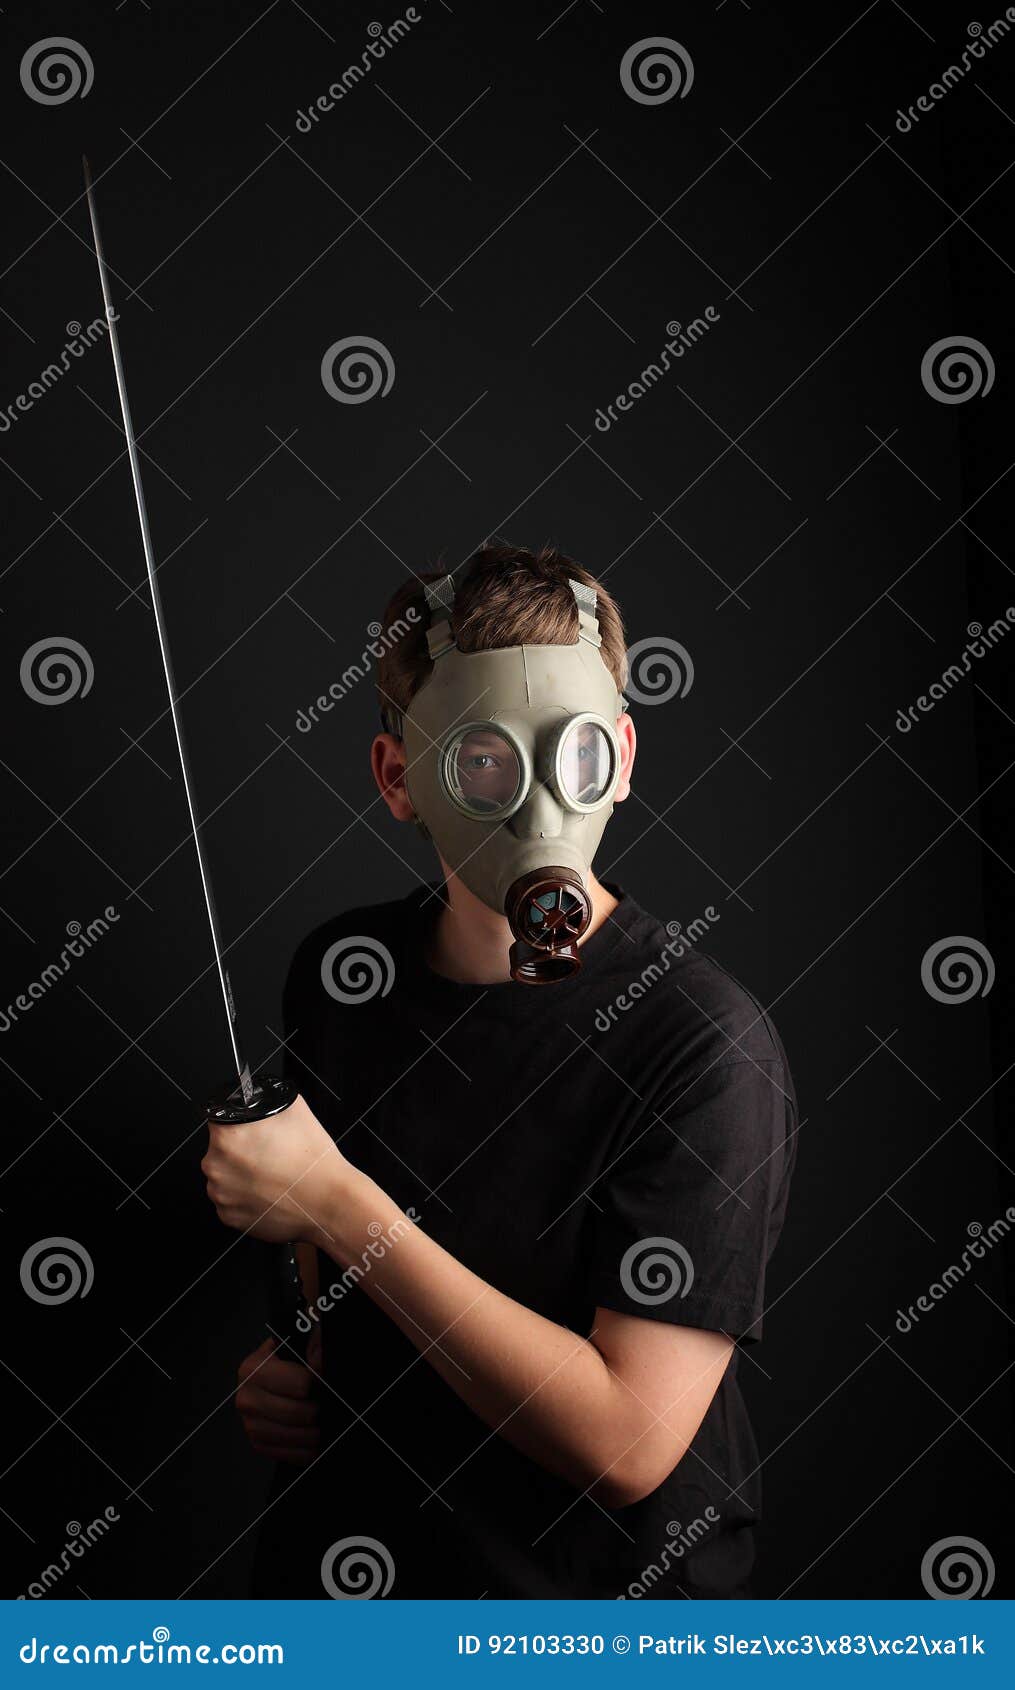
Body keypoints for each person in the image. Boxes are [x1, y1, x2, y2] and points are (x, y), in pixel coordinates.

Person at [201, 542, 798, 1599]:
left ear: (621, 754)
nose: (536, 813)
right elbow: (327, 1312)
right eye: (483, 759)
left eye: (574, 757)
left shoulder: (704, 1041)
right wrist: (291, 1372)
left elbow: (627, 1441)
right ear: (400, 779)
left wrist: (337, 1203)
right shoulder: (344, 978)